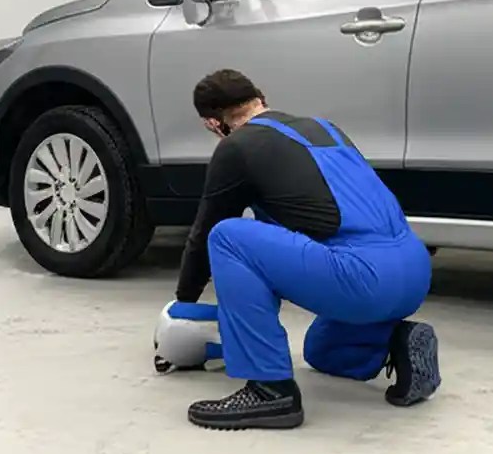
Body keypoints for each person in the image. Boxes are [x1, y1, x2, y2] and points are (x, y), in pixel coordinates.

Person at [167, 69, 440, 430]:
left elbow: (202, 236)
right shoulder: (324, 127)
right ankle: (396, 341)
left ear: (213, 123)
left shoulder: (236, 147)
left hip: (361, 278)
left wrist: (182, 304)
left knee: (228, 236)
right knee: (320, 351)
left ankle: (270, 390)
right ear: (260, 97)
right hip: (413, 271)